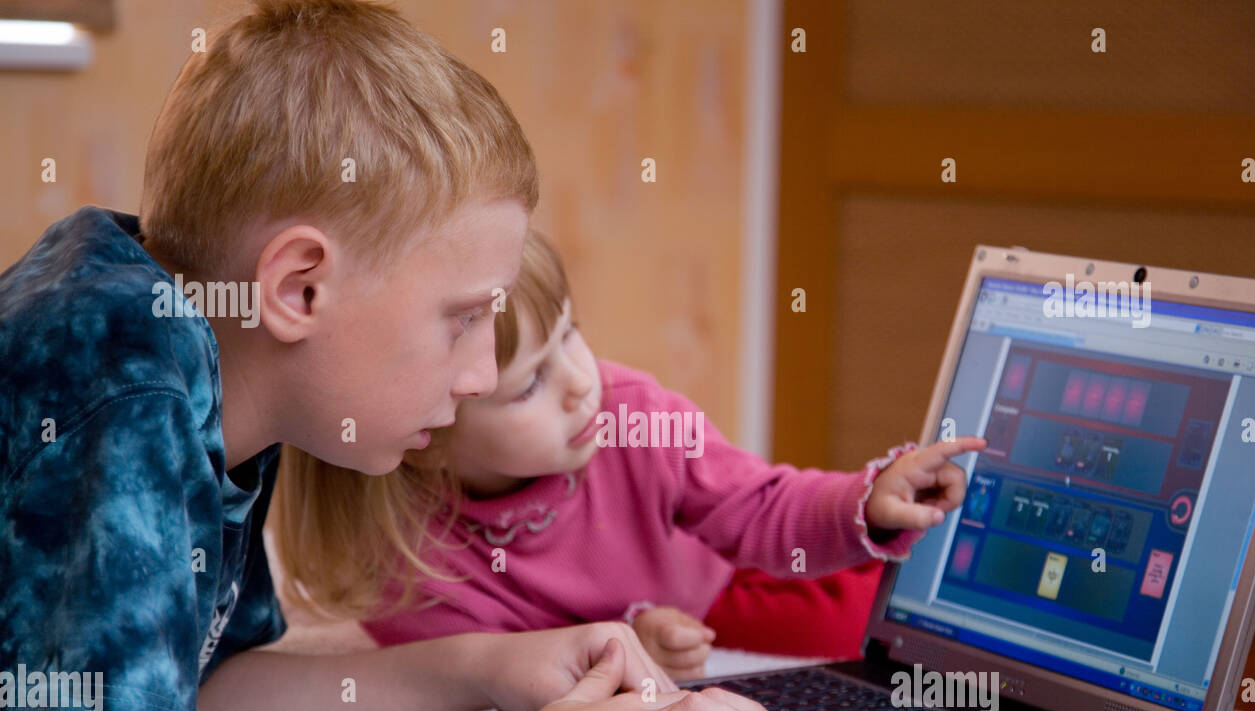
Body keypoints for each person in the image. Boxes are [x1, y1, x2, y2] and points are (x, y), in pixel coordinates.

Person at [0, 0, 782, 711]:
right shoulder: (120, 390)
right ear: (299, 289)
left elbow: (204, 694)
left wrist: (489, 666)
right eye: (463, 319)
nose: (480, 376)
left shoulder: (209, 356)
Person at [272, 229, 986, 680]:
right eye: (531, 385)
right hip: (711, 607)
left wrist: (865, 498)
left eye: (571, 335)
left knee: (904, 563)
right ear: (425, 437)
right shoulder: (407, 563)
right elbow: (504, 674)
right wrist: (623, 643)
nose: (583, 384)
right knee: (859, 629)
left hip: (728, 553)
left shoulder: (631, 415)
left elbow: (761, 505)